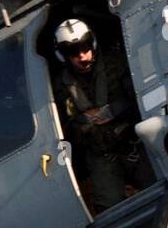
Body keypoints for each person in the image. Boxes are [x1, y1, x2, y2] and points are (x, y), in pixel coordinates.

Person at [50, 18, 153, 214]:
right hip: (100, 155)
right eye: (73, 52)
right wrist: (85, 124)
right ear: (64, 55)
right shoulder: (60, 87)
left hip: (131, 143)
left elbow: (139, 98)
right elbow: (63, 128)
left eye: (85, 47)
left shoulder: (115, 64)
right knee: (110, 209)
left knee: (157, 181)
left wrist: (113, 111)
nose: (82, 56)